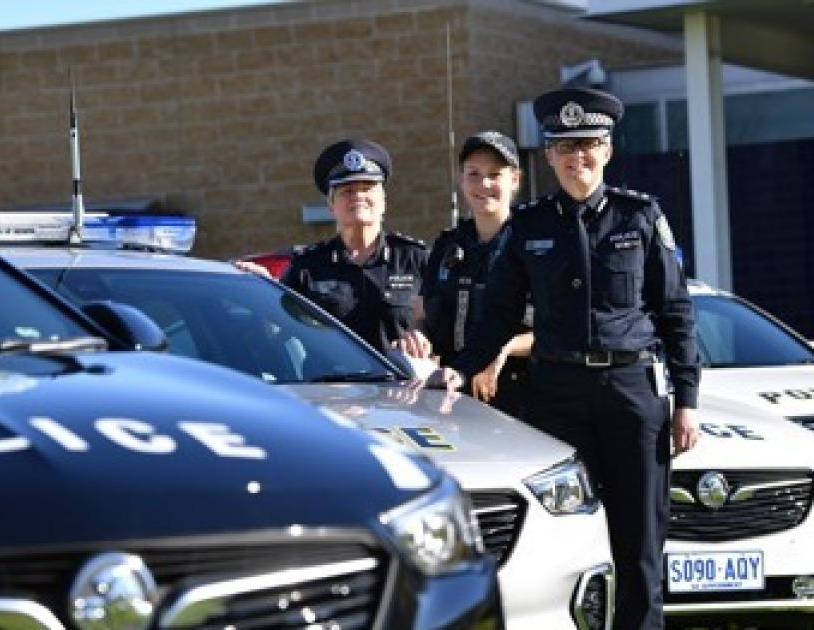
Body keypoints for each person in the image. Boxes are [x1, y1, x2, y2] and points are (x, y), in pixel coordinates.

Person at [427, 87, 701, 630]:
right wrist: (461, 368)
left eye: (589, 145)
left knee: (640, 539)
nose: (578, 157)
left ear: (607, 150)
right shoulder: (528, 227)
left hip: (630, 394)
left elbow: (676, 313)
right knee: (561, 533)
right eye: (565, 147)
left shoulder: (640, 218)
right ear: (548, 156)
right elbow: (499, 313)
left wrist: (687, 402)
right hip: (558, 398)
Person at [282, 139, 432, 360]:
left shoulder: (416, 259)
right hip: (330, 390)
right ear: (331, 206)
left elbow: (443, 328)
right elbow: (277, 327)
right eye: (347, 191)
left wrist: (421, 336)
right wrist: (258, 286)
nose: (358, 197)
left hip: (403, 388)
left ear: (383, 201)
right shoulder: (307, 267)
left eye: (367, 188)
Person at [422, 131, 533, 418]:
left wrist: (503, 349)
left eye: (495, 174)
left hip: (517, 391)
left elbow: (556, 328)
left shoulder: (534, 244)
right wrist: (416, 337)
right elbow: (423, 314)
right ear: (461, 180)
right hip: (451, 394)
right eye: (474, 174)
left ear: (515, 180)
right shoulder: (448, 245)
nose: (484, 184)